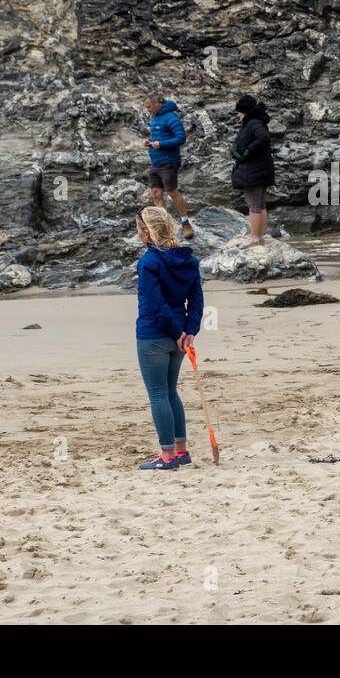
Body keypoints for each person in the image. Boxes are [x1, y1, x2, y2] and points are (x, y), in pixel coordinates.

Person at [134, 206, 204, 471]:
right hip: (179, 337)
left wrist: (179, 332)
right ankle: (181, 451)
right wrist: (189, 331)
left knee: (158, 394)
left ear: (147, 233)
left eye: (139, 228)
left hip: (155, 335)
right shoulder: (188, 259)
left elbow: (154, 304)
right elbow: (196, 299)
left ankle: (167, 456)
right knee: (170, 391)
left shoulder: (149, 262)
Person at [143, 93, 195, 240]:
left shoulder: (171, 117)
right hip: (156, 162)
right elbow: (160, 136)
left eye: (149, 107)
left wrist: (161, 144)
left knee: (172, 192)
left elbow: (181, 138)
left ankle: (186, 224)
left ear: (157, 103)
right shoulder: (156, 118)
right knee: (156, 194)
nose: (147, 110)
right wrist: (150, 142)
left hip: (168, 162)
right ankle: (164, 228)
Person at [231, 95, 274, 247]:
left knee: (254, 205)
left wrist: (248, 151)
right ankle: (260, 235)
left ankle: (255, 237)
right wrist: (236, 151)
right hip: (258, 169)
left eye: (239, 112)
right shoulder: (253, 123)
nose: (238, 115)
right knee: (260, 204)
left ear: (245, 112)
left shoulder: (254, 123)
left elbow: (264, 138)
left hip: (253, 171)